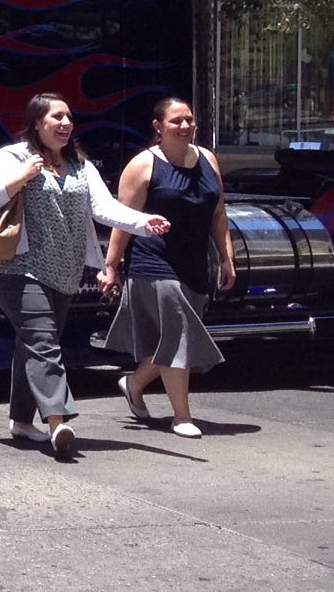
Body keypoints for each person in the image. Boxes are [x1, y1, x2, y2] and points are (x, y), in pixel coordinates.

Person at [0, 92, 170, 456]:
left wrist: (144, 221)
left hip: (64, 273)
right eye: (56, 118)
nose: (65, 124)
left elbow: (104, 208)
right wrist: (20, 178)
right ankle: (58, 423)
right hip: (18, 270)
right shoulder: (13, 158)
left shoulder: (80, 165)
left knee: (32, 344)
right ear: (36, 124)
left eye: (68, 118)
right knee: (44, 343)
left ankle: (20, 420)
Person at [99, 97, 235, 439]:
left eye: (190, 119)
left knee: (177, 337)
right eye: (177, 121)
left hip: (193, 262)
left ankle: (133, 383)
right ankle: (182, 416)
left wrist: (227, 257)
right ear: (158, 127)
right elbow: (123, 221)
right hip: (152, 261)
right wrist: (111, 266)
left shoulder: (208, 160)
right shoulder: (142, 165)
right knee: (179, 331)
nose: (186, 126)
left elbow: (218, 214)